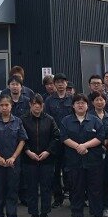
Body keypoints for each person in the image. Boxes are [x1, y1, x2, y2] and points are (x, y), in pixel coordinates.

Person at [61, 93, 106, 217]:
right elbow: (64, 137)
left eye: (83, 103)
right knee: (76, 190)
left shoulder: (95, 120)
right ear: (73, 105)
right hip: (74, 162)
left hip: (93, 162)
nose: (80, 105)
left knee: (96, 190)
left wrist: (85, 146)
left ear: (88, 105)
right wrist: (78, 147)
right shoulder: (66, 121)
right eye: (77, 103)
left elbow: (100, 137)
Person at [22, 94, 59, 217]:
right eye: (34, 104)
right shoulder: (23, 120)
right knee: (31, 188)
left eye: (39, 104)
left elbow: (56, 137)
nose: (37, 106)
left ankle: (44, 214)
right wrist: (27, 151)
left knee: (46, 187)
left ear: (43, 105)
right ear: (30, 105)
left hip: (46, 159)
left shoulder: (49, 119)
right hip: (29, 159)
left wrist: (48, 151)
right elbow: (20, 138)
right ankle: (33, 214)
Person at [44, 73, 72, 208]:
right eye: (58, 82)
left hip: (70, 140)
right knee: (55, 170)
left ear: (66, 84)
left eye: (63, 82)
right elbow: (47, 119)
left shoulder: (72, 99)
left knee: (69, 169)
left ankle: (71, 195)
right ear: (54, 84)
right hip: (55, 139)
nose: (60, 84)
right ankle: (58, 197)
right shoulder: (49, 101)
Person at [90, 91, 108, 217]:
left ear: (106, 102)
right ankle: (95, 206)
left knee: (107, 180)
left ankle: (106, 206)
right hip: (92, 153)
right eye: (97, 100)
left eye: (102, 100)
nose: (99, 102)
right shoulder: (89, 116)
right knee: (94, 181)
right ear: (92, 102)